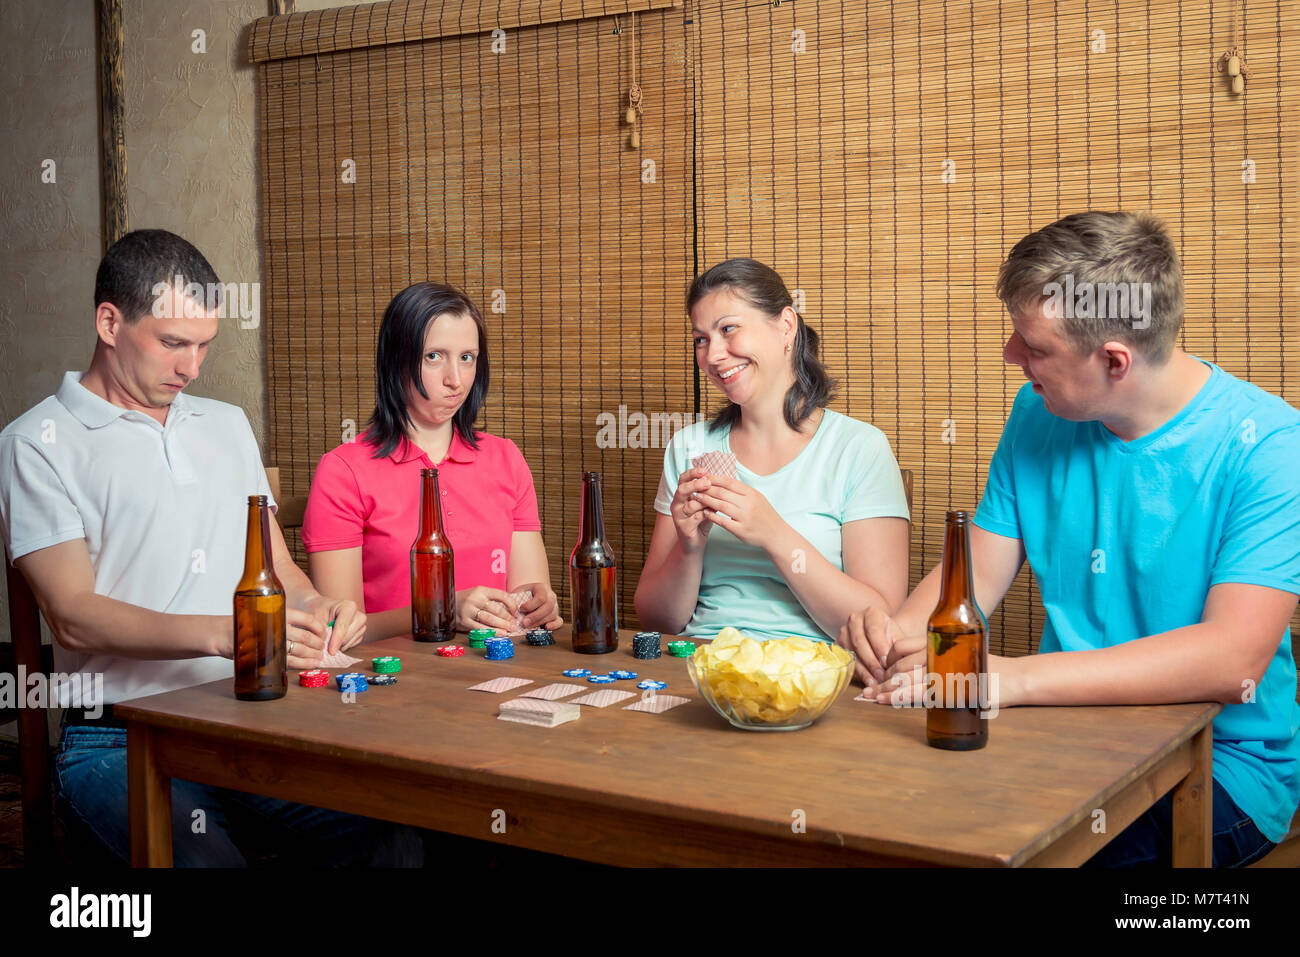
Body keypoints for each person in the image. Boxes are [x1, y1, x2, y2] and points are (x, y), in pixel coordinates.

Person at [844, 211, 1300, 867]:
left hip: (1222, 768)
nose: (1010, 356)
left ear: (1114, 360)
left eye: (1034, 346)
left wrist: (1008, 680)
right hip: (1055, 739)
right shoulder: (1039, 411)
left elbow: (1233, 662)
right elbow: (973, 578)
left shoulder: (1271, 448)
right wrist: (902, 635)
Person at [0, 229, 421, 866]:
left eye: (203, 346)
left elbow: (279, 568)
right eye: (173, 343)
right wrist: (229, 634)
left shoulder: (225, 424)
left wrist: (316, 606)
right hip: (119, 736)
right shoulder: (36, 441)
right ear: (110, 322)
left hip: (252, 715)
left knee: (393, 841)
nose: (191, 368)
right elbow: (73, 616)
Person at [634, 258, 910, 643]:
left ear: (786, 326)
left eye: (728, 329)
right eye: (701, 339)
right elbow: (656, 621)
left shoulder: (859, 450)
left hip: (814, 673)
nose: (712, 355)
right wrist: (689, 547)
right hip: (700, 663)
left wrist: (773, 534)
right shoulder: (690, 447)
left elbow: (879, 625)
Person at [303, 282, 563, 639]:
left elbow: (528, 594)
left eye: (467, 358)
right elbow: (340, 631)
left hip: (497, 670)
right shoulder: (343, 471)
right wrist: (439, 611)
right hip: (399, 681)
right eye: (434, 356)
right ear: (396, 360)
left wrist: (539, 604)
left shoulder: (506, 458)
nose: (455, 380)